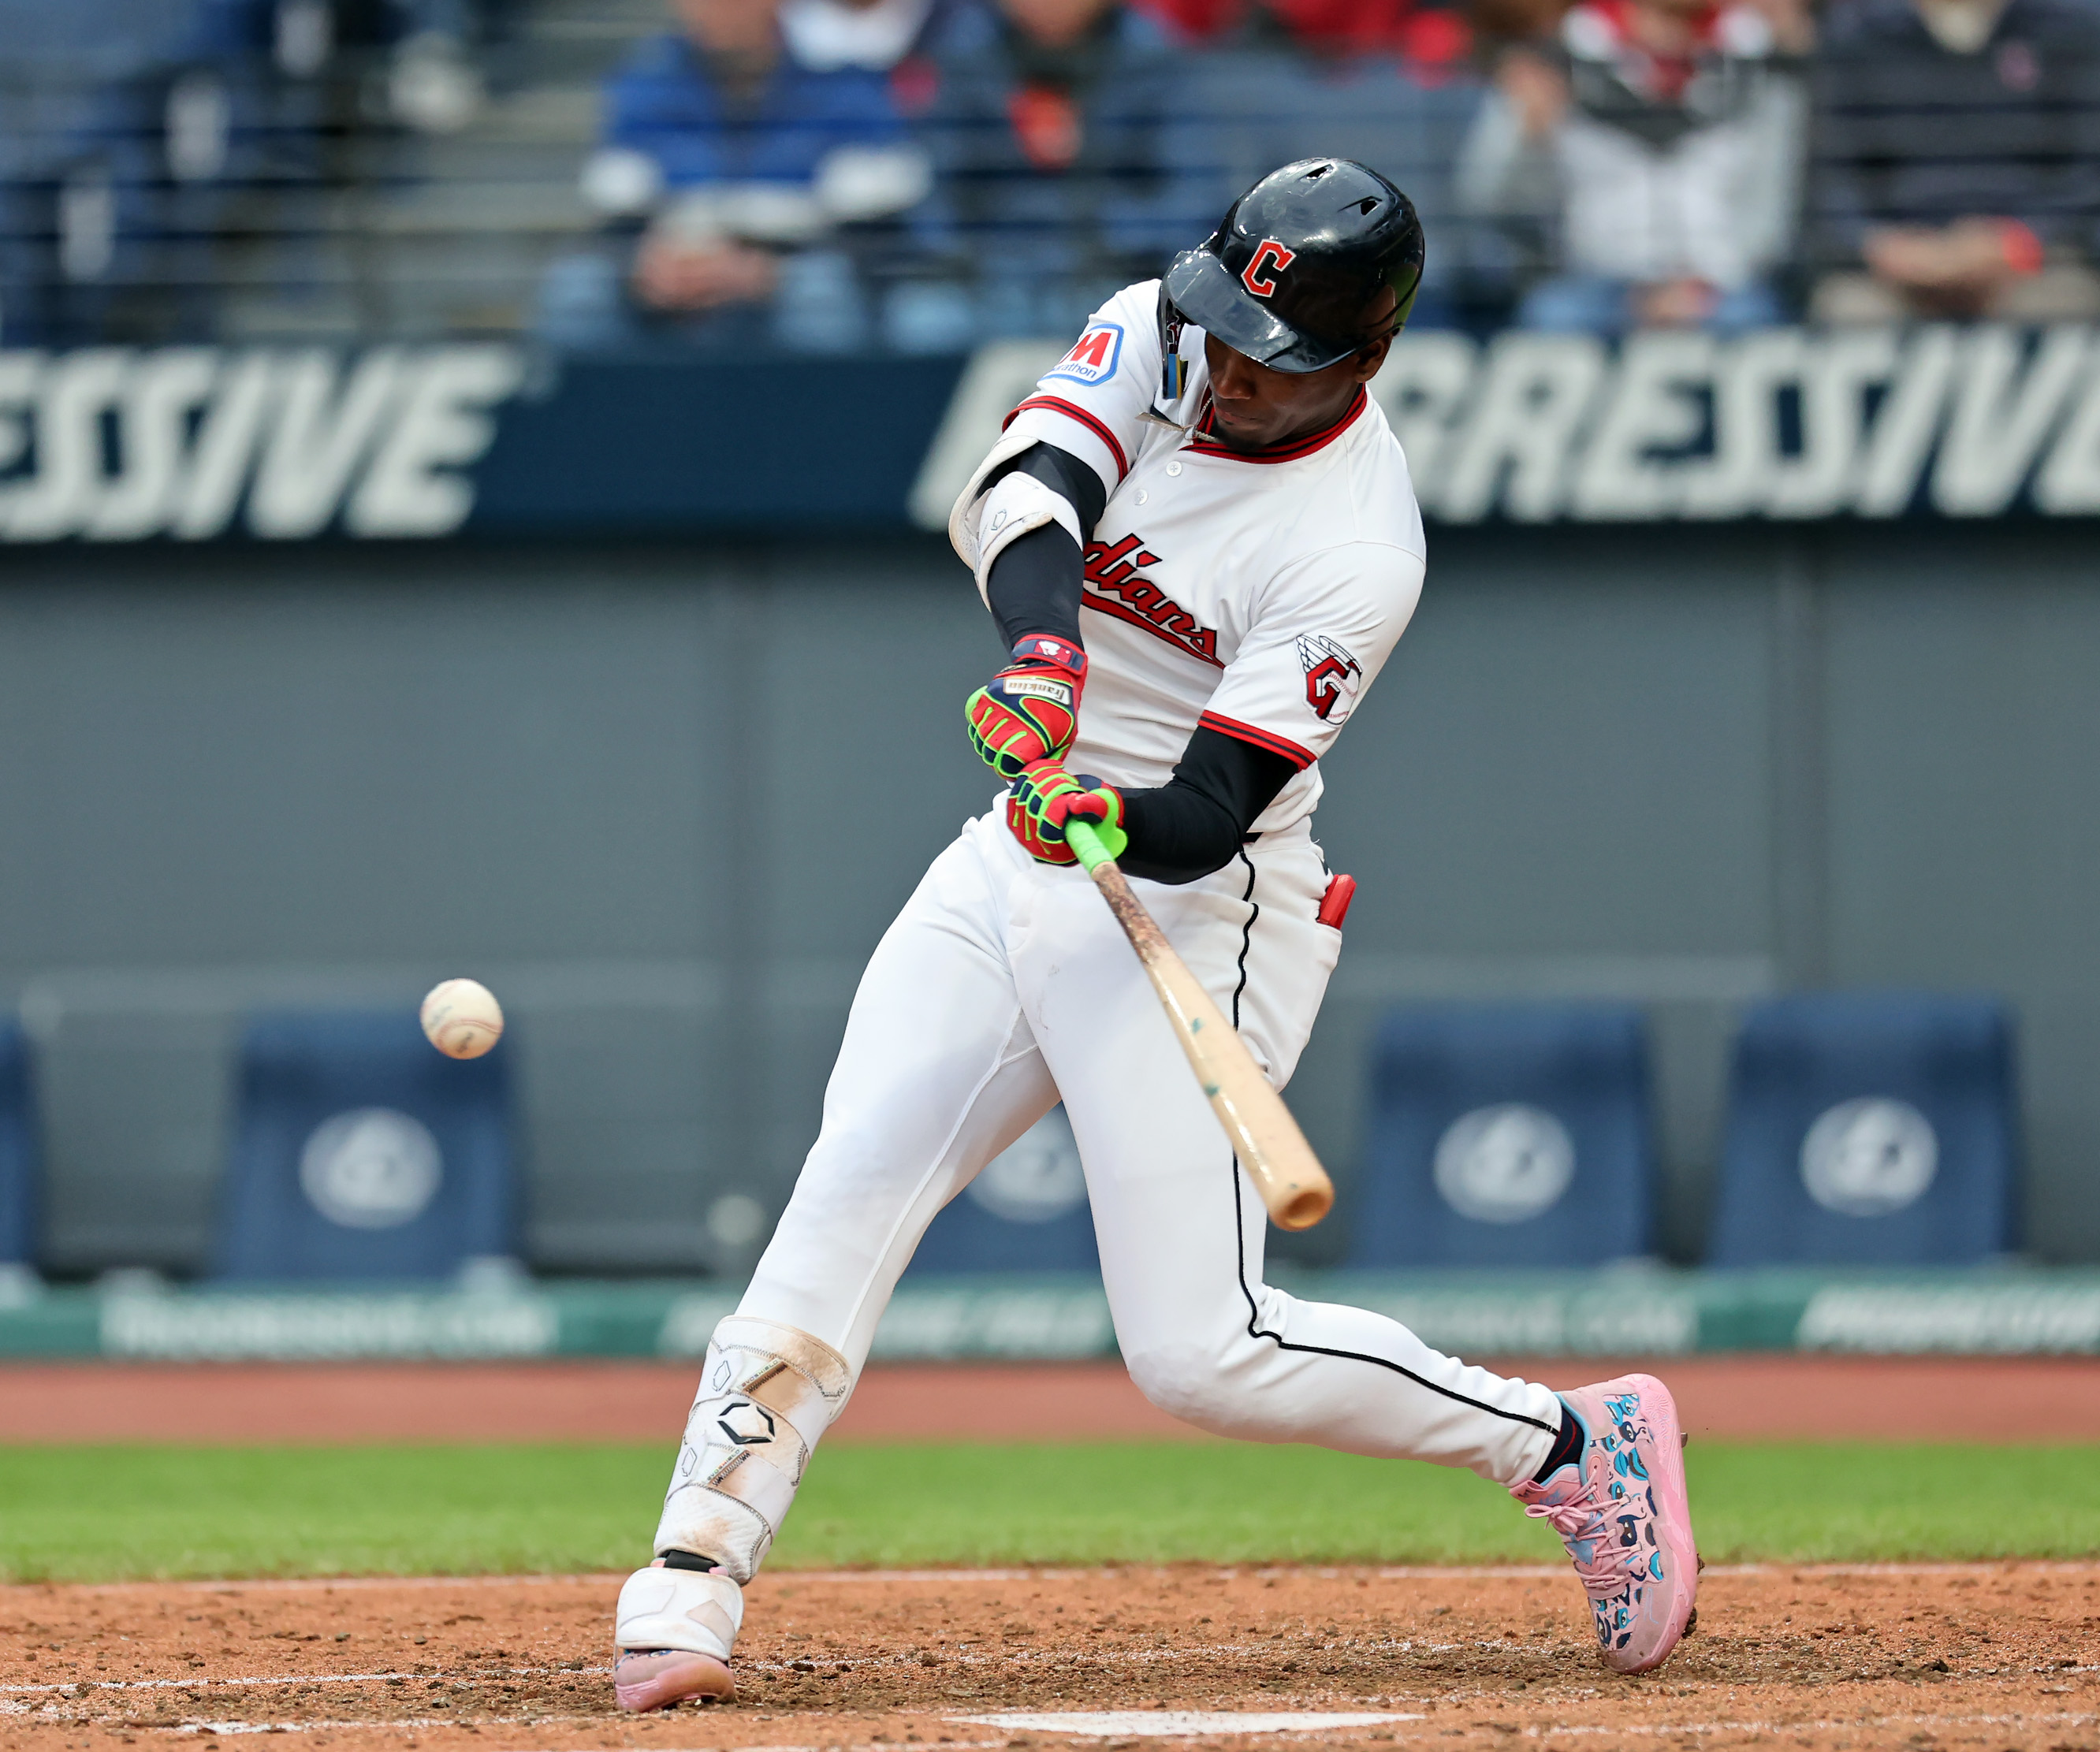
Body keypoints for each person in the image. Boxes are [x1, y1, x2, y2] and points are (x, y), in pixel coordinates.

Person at [607, 158, 1701, 1713]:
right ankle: (691, 1575)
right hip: (1009, 873)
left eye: (1281, 361)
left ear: (1364, 357)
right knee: (842, 1199)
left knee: (1203, 1351)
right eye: (1226, 335)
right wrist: (1046, 665)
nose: (1234, 375)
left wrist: (1102, 813)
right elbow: (1019, 494)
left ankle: (1572, 1447)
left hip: (1200, 903)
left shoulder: (1358, 547)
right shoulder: (1153, 329)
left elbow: (1211, 801)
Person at [540, 0, 928, 352]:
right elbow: (614, 220)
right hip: (676, 272)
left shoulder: (844, 84)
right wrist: (643, 264)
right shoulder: (644, 85)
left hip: (794, 269)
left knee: (820, 292)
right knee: (578, 290)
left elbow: (877, 231)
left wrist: (766, 271)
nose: (722, 9)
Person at [1458, 0, 1807, 334]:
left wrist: (1706, 283)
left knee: (1750, 316)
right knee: (1555, 313)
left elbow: (1774, 198)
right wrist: (1525, 136)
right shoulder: (1559, 55)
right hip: (1599, 280)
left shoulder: (1759, 55)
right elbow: (1488, 197)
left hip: (1723, 285)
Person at [1808, 0, 2100, 322]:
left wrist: (2016, 242)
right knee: (1852, 310)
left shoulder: (2070, 27)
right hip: (1898, 265)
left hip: (2033, 261)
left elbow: (2086, 179)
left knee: (2058, 306)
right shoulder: (1858, 34)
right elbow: (1833, 186)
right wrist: (1880, 246)